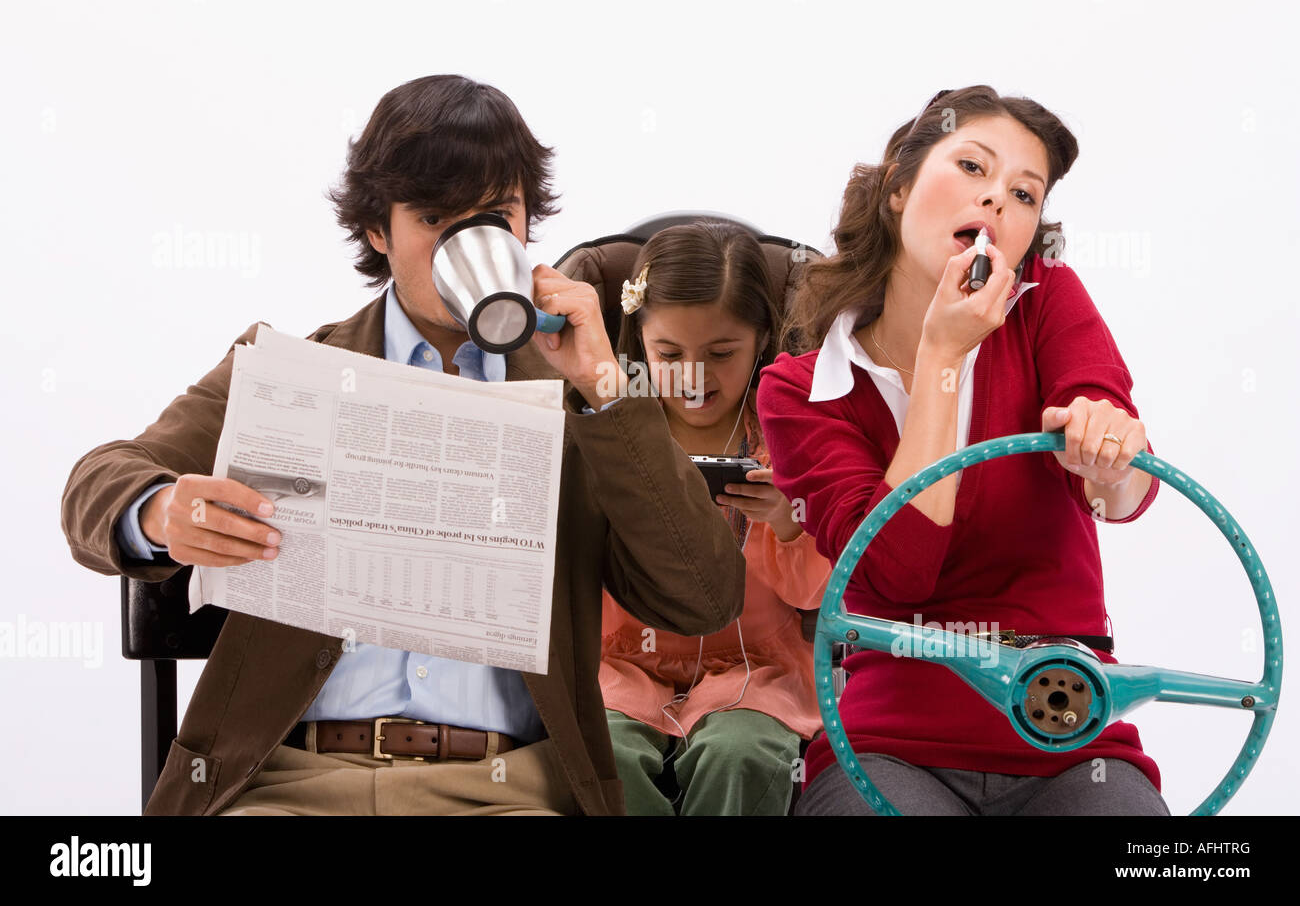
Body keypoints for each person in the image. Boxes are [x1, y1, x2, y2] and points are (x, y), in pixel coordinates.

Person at [60, 74, 745, 816]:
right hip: (288, 786)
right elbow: (96, 482)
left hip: (507, 791)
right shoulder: (291, 370)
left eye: (493, 217)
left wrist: (607, 389)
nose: (468, 244)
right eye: (434, 219)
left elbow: (703, 598)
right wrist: (159, 511)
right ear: (378, 231)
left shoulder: (576, 400)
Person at [757, 86, 1169, 815]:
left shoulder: (1049, 299)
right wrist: (943, 357)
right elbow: (898, 572)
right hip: (888, 747)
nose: (996, 202)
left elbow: (1123, 487)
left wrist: (1110, 457)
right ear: (897, 186)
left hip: (1067, 735)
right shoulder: (798, 391)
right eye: (972, 167)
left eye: (1023, 193)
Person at [600, 222, 831, 815]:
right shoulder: (613, 432)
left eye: (721, 354)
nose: (694, 377)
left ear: (762, 339)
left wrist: (786, 520)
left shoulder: (788, 433)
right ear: (638, 341)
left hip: (756, 668)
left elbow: (825, 592)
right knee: (608, 753)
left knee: (743, 754)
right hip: (621, 659)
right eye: (669, 355)